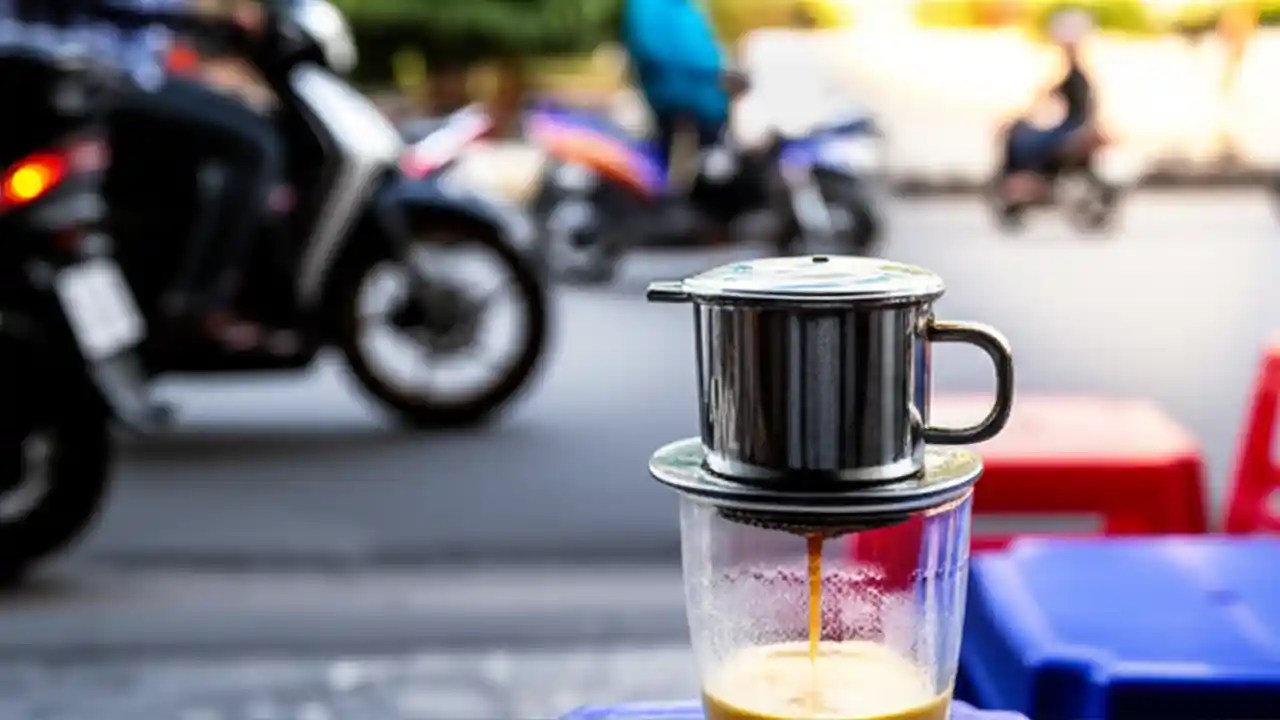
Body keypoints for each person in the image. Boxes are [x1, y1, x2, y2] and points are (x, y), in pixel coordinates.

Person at [4, 0, 288, 355]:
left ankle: (159, 293)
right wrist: (208, 11)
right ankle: (196, 308)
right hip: (69, 70)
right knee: (254, 145)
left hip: (110, 70)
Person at [619, 0, 744, 174]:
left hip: (687, 89)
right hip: (687, 92)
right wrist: (716, 72)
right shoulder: (656, 7)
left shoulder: (674, 7)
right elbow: (684, 53)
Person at [1000, 9, 1099, 203]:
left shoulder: (1077, 75)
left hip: (1071, 127)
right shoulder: (1071, 74)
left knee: (1028, 143)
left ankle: (1030, 180)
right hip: (1069, 124)